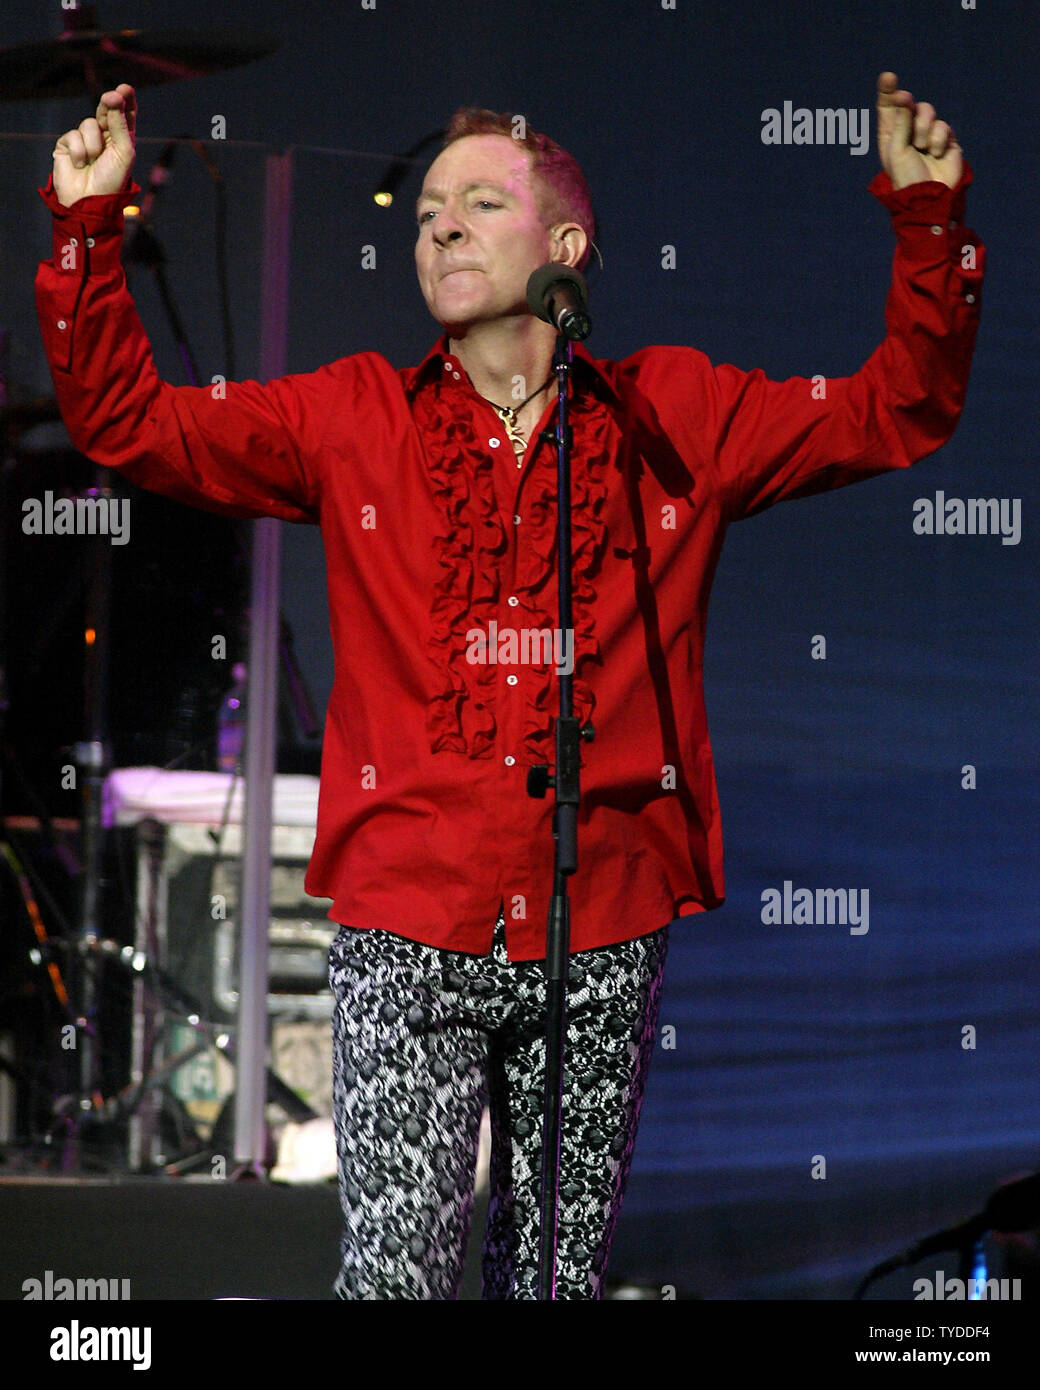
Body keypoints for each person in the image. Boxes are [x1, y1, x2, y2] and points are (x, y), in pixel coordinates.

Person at [35, 72, 983, 1299]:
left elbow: (897, 410)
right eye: (428, 208)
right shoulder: (352, 418)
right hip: (405, 915)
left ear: (566, 249)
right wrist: (84, 230)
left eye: (480, 202)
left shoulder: (673, 412)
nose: (438, 226)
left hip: (598, 918)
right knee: (395, 1274)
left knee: (550, 1277)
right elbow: (129, 423)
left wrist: (927, 224)